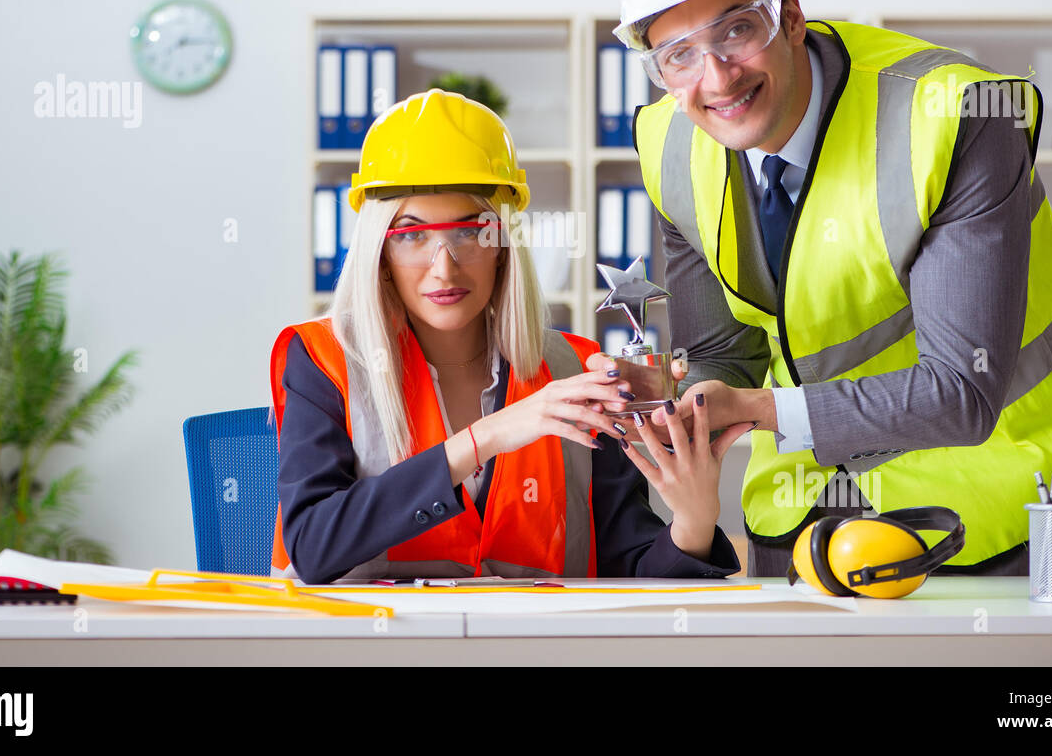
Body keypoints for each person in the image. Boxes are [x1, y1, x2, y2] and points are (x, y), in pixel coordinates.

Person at [607, 0, 1052, 576]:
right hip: (799, 521)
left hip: (977, 521)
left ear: (791, 15)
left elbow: (962, 391)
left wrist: (756, 407)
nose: (716, 78)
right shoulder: (671, 147)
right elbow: (724, 353)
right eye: (679, 55)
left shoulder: (955, 116)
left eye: (738, 30)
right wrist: (679, 398)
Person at [269, 89, 742, 583]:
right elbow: (313, 546)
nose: (443, 267)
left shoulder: (571, 372)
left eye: (470, 231)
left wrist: (693, 520)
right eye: (411, 235)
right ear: (379, 254)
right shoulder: (324, 359)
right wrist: (489, 436)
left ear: (503, 247)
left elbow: (630, 569)